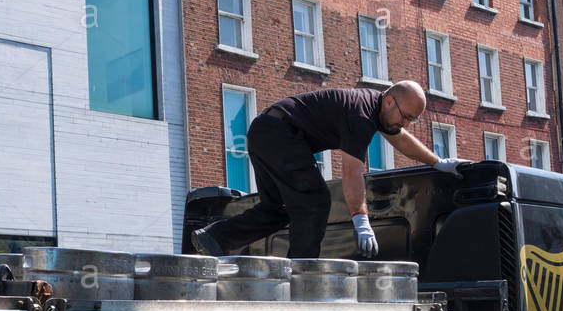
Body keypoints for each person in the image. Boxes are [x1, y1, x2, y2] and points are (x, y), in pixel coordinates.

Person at [191, 81, 463, 259]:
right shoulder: (361, 116)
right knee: (315, 200)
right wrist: (361, 220)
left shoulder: (375, 108)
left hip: (265, 132)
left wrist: (437, 162)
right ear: (390, 101)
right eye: (406, 117)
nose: (405, 124)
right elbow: (351, 173)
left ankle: (214, 238)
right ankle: (300, 273)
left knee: (277, 210)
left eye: (411, 120)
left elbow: (401, 139)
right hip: (279, 134)